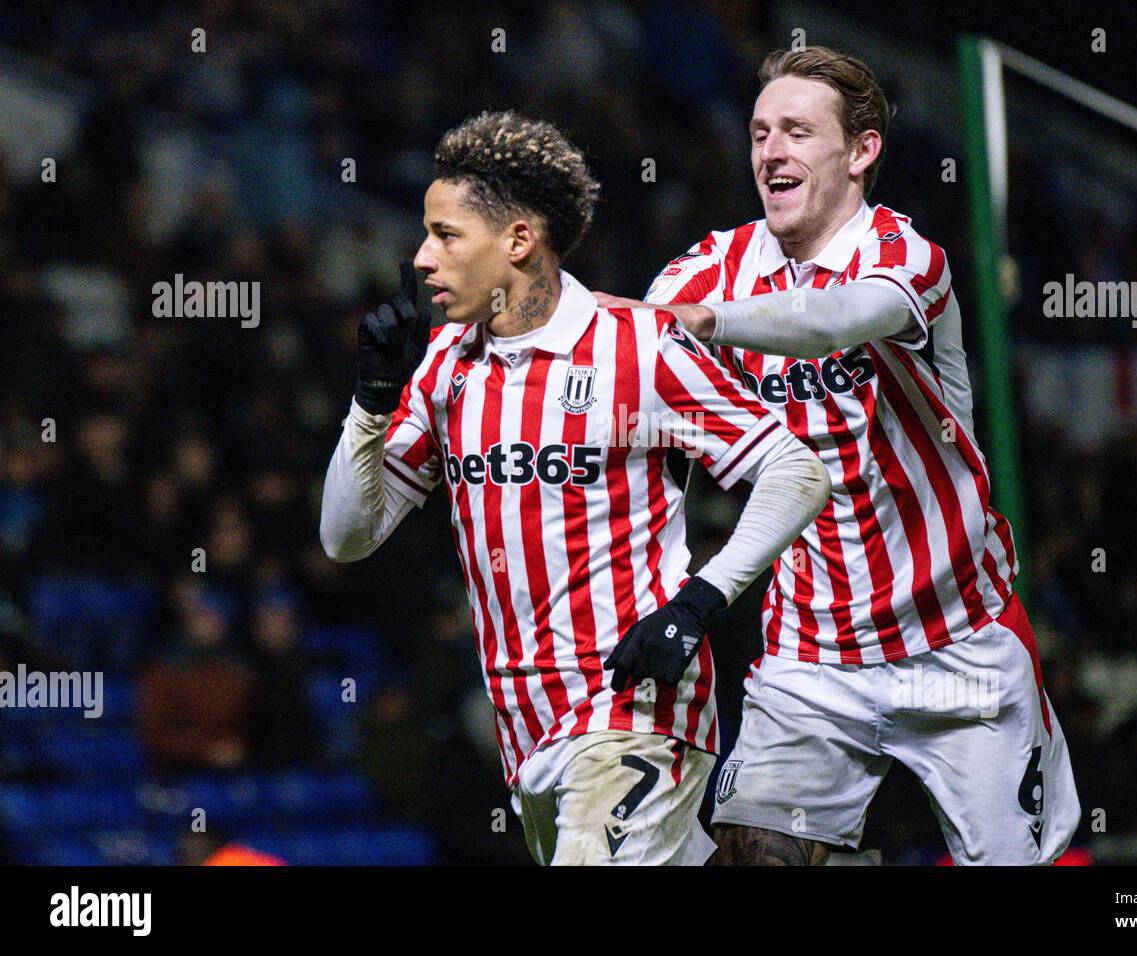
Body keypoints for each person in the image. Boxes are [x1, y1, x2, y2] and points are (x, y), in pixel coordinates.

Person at [599, 46, 1080, 865]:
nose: (770, 151)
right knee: (754, 852)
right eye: (759, 133)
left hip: (958, 643)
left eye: (796, 131)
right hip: (810, 655)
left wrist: (707, 322)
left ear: (861, 152)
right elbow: (635, 373)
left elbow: (832, 318)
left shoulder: (905, 259)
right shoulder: (714, 265)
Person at [320, 111, 829, 866]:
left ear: (518, 240)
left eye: (446, 235)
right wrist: (371, 397)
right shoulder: (445, 370)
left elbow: (796, 470)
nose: (423, 258)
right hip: (525, 728)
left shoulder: (639, 345)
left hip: (638, 706)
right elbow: (346, 536)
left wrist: (697, 604)